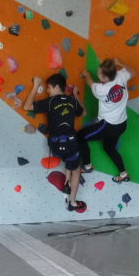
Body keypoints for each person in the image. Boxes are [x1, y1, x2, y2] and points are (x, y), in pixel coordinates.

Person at [23, 73, 87, 212]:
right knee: (76, 169)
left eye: (49, 88)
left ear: (57, 87)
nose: (47, 91)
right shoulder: (71, 101)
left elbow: (27, 106)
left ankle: (66, 184)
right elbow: (83, 113)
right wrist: (75, 95)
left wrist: (36, 84)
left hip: (56, 146)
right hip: (71, 143)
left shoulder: (51, 102)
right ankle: (73, 202)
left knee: (70, 161)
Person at [79, 58, 134, 183]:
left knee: (80, 137)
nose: (97, 74)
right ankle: (124, 174)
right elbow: (133, 72)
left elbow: (90, 83)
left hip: (108, 126)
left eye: (98, 73)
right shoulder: (121, 76)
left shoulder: (100, 89)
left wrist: (87, 75)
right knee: (109, 148)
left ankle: (87, 167)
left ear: (104, 78)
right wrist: (121, 64)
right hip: (122, 123)